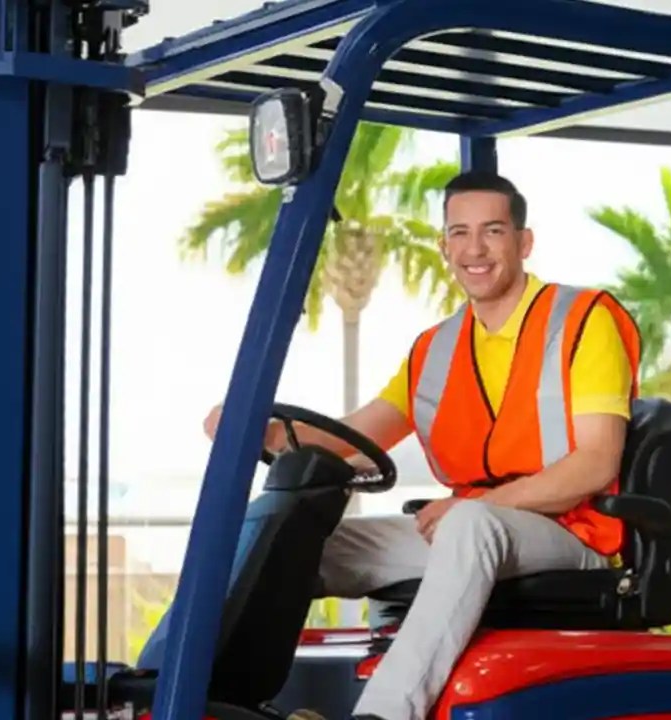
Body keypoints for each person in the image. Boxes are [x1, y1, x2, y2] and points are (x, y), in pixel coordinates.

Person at [203, 171, 640, 720]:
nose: (474, 249)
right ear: (444, 246)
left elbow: (595, 465)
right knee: (298, 539)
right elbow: (356, 434)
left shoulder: (582, 320)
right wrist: (260, 429)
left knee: (466, 524)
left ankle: (384, 713)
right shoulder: (436, 347)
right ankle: (213, 698)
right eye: (459, 233)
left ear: (523, 242)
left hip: (572, 532)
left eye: (493, 231)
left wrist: (474, 506)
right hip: (471, 528)